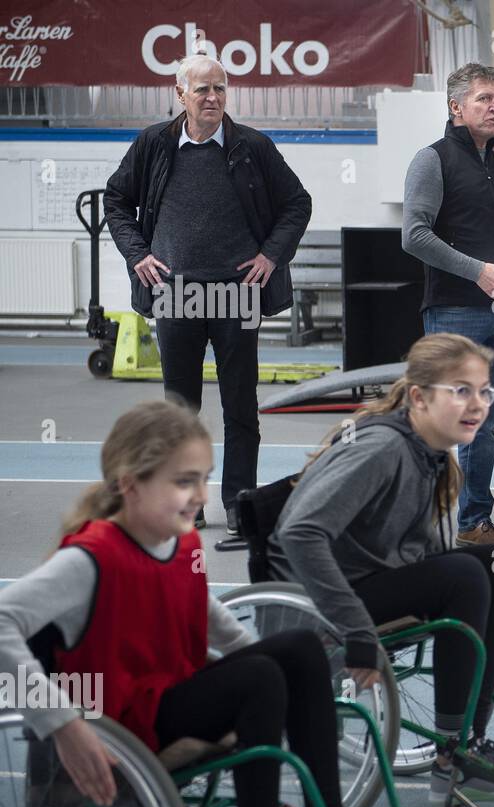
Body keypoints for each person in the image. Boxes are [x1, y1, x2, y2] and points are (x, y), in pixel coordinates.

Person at [0, 401, 404, 807]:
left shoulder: (182, 543)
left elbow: (202, 609)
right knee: (259, 679)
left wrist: (290, 678)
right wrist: (62, 723)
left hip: (168, 700)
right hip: (120, 726)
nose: (200, 495)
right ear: (131, 484)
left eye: (203, 478)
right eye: (183, 481)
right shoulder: (89, 559)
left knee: (299, 647)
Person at [267, 334, 494, 803]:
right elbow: (299, 533)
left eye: (483, 391)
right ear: (418, 397)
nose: (478, 404)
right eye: (461, 390)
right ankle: (454, 757)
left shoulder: (428, 451)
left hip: (370, 579)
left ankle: (466, 740)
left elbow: (414, 543)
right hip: (317, 602)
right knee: (465, 576)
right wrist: (356, 630)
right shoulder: (382, 449)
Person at [104, 53, 311, 536]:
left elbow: (296, 203)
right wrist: (138, 253)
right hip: (174, 294)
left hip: (237, 294)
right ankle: (184, 503)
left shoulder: (252, 146)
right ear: (181, 94)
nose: (213, 97)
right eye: (203, 90)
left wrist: (270, 256)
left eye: (220, 88)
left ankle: (240, 507)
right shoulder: (154, 144)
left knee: (241, 406)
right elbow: (116, 199)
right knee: (180, 408)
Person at [403, 62, 494, 547]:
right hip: (454, 313)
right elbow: (413, 236)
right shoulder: (431, 160)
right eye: (484, 99)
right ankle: (415, 521)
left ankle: (475, 521)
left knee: (485, 424)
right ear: (456, 107)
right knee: (440, 421)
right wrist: (476, 270)